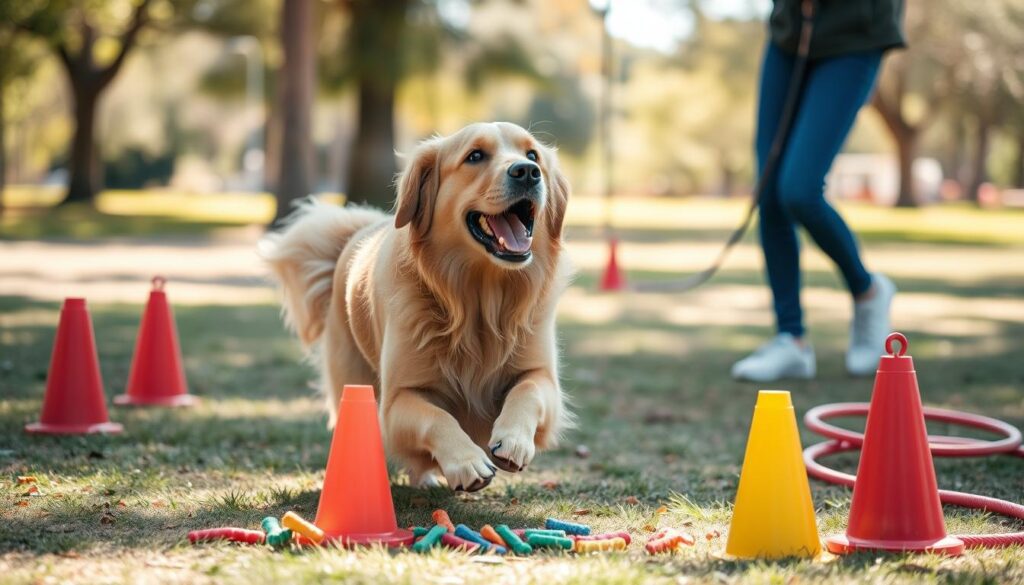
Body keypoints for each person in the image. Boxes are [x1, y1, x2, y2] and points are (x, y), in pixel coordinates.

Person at [731, 0, 906, 382]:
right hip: (789, 33)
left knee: (799, 188)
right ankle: (790, 338)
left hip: (855, 34)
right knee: (770, 192)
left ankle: (867, 290)